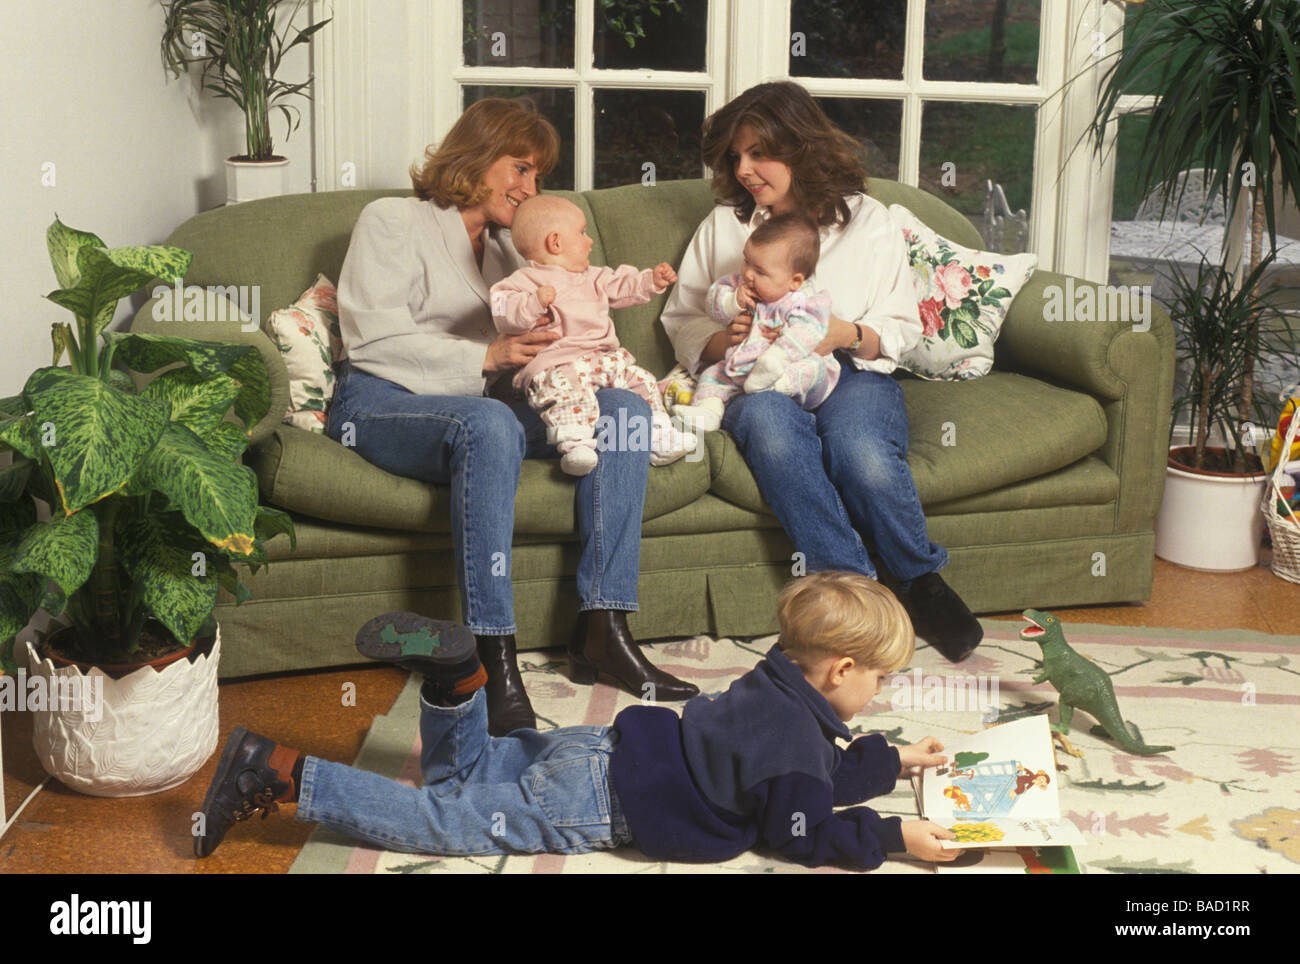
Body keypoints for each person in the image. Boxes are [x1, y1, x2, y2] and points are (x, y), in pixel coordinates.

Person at [326, 98, 697, 738]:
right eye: (520, 170)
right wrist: (489, 355)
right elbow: (370, 340)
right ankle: (488, 657)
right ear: (475, 156)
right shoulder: (391, 220)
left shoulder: (509, 250)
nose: (529, 191)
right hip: (384, 399)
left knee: (621, 406)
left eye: (537, 178)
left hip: (480, 403)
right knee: (491, 424)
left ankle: (604, 629)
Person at [192, 571, 960, 868]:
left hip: (597, 747)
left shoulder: (772, 684)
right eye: (882, 678)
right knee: (450, 822)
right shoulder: (797, 753)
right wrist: (892, 836)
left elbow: (813, 777)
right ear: (841, 671)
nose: (882, 694)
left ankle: (459, 683)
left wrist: (895, 763)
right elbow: (802, 827)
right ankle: (285, 771)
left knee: (465, 770)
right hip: (600, 805)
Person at [659, 81, 983, 662]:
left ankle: (917, 581)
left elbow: (903, 329)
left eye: (759, 153)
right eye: (736, 156)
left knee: (859, 452)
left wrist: (847, 334)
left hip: (849, 372)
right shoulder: (726, 224)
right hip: (760, 378)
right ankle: (858, 596)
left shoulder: (868, 221)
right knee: (772, 434)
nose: (745, 169)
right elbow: (681, 315)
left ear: (801, 148)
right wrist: (717, 339)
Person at [489, 194, 696, 476]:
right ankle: (575, 445)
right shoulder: (523, 282)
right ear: (556, 242)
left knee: (643, 380)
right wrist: (533, 303)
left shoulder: (594, 276)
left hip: (604, 359)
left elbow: (622, 284)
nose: (590, 241)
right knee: (567, 391)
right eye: (582, 233)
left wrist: (650, 280)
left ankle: (660, 435)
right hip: (557, 366)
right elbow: (503, 312)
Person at [675, 211, 839, 430]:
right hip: (743, 366)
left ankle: (777, 384)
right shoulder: (739, 285)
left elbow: (808, 332)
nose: (748, 274)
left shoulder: (802, 301)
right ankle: (708, 412)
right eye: (746, 261)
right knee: (712, 375)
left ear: (794, 281)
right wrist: (733, 302)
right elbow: (713, 302)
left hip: (789, 368)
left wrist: (779, 353)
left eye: (760, 271)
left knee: (814, 366)